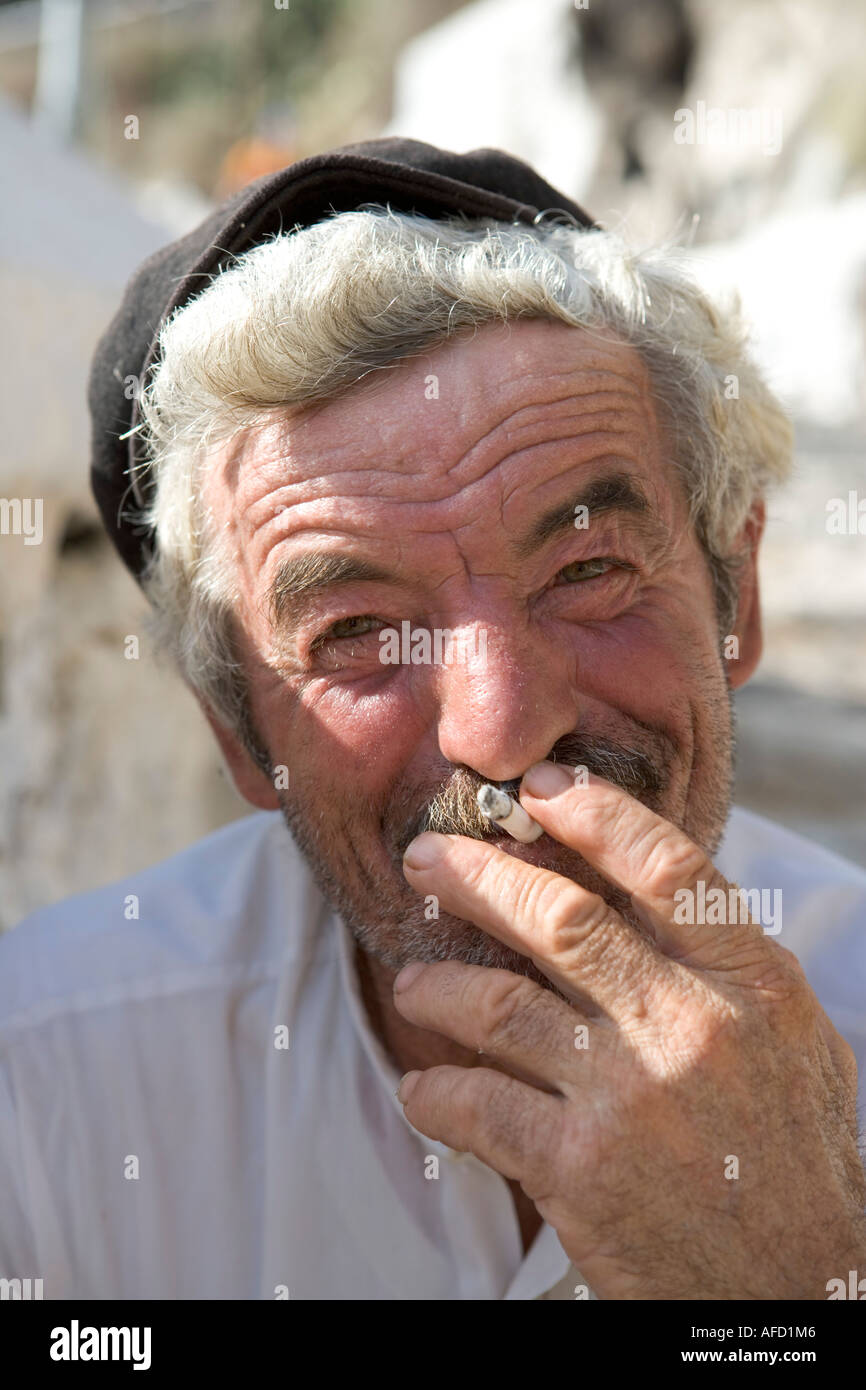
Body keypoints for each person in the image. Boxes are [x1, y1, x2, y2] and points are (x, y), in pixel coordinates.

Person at [2, 138, 864, 1301]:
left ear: (735, 602)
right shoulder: (46, 1077)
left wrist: (794, 1277)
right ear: (237, 735)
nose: (500, 728)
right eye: (354, 631)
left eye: (587, 569)